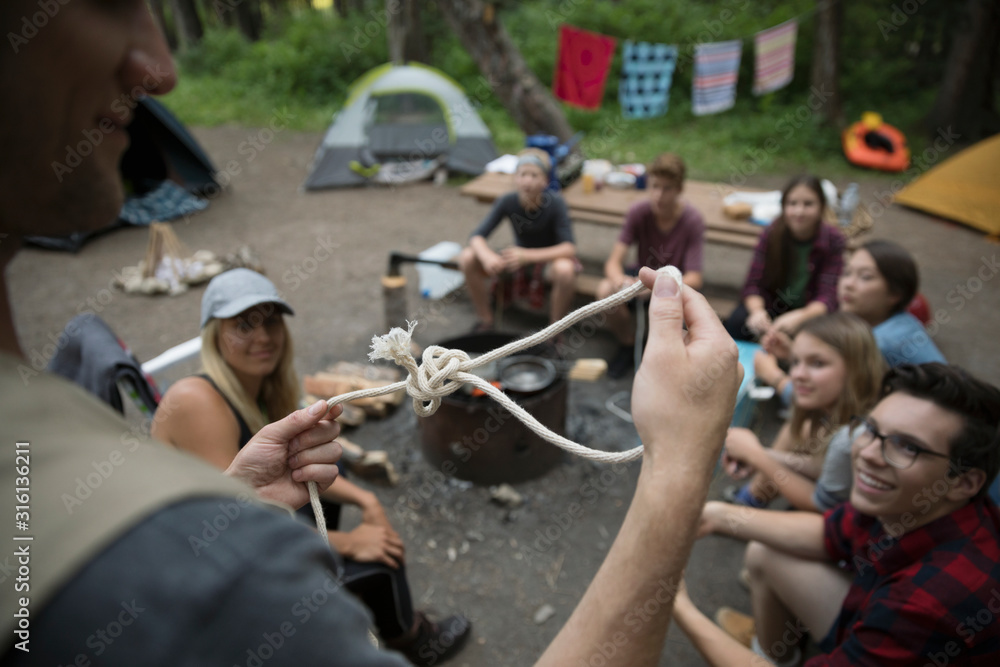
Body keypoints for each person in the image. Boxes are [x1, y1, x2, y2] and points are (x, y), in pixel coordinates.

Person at [0, 2, 743, 664]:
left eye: (270, 322)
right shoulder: (211, 575)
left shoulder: (52, 475)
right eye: (103, 0)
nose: (160, 69)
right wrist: (681, 465)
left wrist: (240, 504)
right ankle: (411, 626)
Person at [151, 267, 470, 665]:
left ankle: (333, 587)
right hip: (204, 573)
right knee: (380, 569)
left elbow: (284, 479)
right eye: (243, 325)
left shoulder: (264, 389)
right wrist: (353, 543)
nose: (264, 336)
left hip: (241, 539)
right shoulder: (197, 402)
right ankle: (411, 640)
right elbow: (235, 525)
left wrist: (368, 501)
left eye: (271, 321)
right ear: (214, 334)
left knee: (329, 471)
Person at [675, 363, 1000, 666]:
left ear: (964, 482)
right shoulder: (908, 502)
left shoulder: (931, 602)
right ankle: (774, 653)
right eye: (871, 429)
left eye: (908, 447)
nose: (868, 454)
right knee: (764, 551)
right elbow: (832, 531)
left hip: (900, 619)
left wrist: (679, 607)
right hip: (880, 606)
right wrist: (716, 515)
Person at [723, 313, 884, 511]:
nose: (797, 374)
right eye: (795, 362)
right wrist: (759, 454)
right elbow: (826, 467)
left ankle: (748, 503)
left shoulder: (856, 435)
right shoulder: (845, 409)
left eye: (817, 363)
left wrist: (757, 456)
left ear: (857, 368)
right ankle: (751, 500)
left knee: (756, 540)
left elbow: (824, 506)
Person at [755, 238, 945, 404]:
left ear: (896, 293)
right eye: (847, 273)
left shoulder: (882, 343)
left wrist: (773, 376)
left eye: (865, 277)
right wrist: (793, 354)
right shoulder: (901, 323)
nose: (848, 284)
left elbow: (829, 406)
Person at [595, 152, 706, 378]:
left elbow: (695, 277)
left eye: (667, 188)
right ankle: (628, 345)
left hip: (673, 283)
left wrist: (658, 286)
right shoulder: (639, 211)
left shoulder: (692, 220)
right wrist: (621, 282)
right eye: (654, 186)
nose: (659, 195)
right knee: (604, 291)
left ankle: (664, 359)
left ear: (679, 190)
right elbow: (613, 262)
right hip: (641, 276)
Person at [458, 148, 578, 330]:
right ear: (515, 178)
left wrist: (527, 256)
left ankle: (554, 332)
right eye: (523, 174)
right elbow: (476, 236)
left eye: (534, 175)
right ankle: (486, 320)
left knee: (565, 269)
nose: (527, 180)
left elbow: (569, 248)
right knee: (467, 257)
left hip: (546, 260)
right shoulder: (508, 201)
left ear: (545, 181)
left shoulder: (555, 203)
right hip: (518, 257)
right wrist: (487, 256)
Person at [724, 175, 846, 342]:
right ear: (783, 206)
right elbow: (753, 284)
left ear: (822, 207)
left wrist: (801, 316)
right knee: (738, 322)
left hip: (810, 310)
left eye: (808, 204)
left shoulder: (833, 240)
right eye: (792, 203)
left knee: (817, 340)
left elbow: (828, 295)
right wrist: (758, 312)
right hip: (772, 304)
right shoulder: (772, 233)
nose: (799, 211)